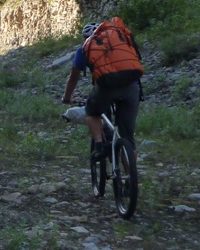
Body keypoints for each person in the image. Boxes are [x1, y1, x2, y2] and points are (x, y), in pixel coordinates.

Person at [61, 19, 144, 159]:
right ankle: (131, 178)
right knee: (127, 137)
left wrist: (66, 98)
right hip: (132, 86)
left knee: (92, 112)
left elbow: (73, 77)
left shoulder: (84, 49)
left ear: (85, 38)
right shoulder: (122, 42)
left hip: (106, 87)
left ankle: (99, 146)